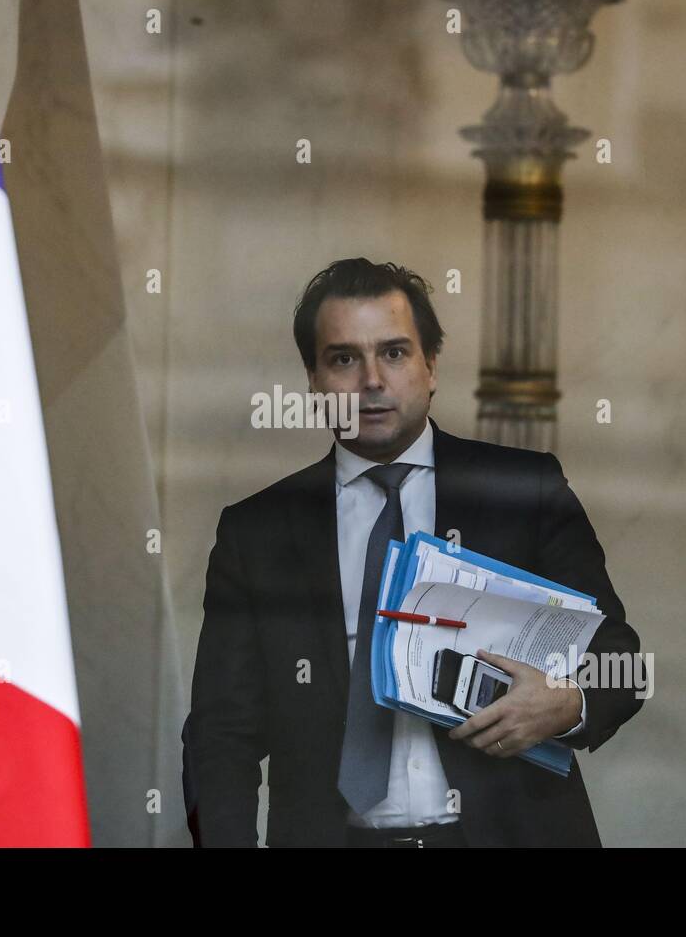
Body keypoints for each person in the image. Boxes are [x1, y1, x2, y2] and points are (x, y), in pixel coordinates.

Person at [183, 258, 644, 847]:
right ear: (313, 379)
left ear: (431, 367)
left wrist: (568, 701)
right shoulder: (258, 531)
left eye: (395, 353)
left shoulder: (522, 490)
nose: (371, 379)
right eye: (344, 358)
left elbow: (619, 658)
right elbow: (221, 734)